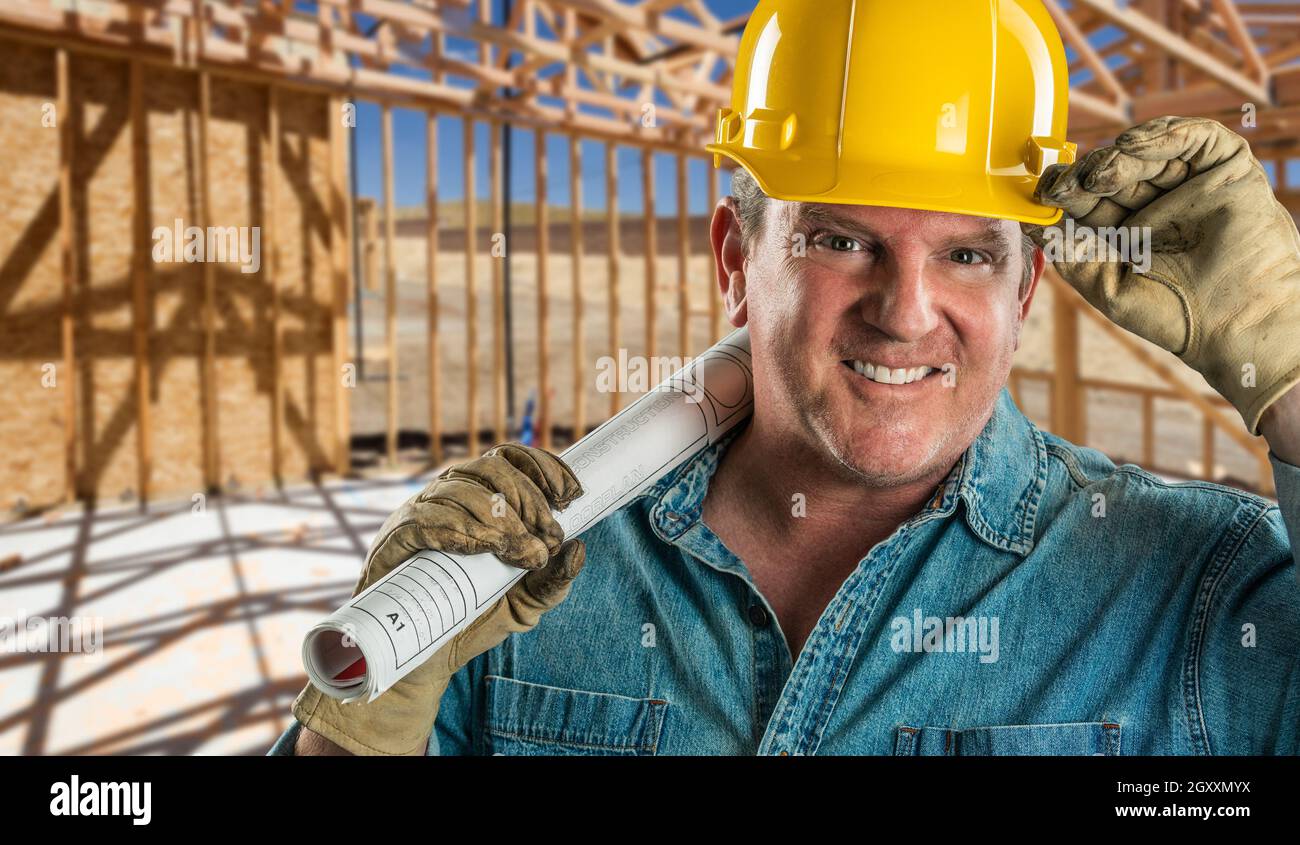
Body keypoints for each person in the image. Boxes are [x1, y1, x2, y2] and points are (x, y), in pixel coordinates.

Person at [275, 0, 1300, 756]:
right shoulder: (525, 582)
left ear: (1026, 285)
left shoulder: (1198, 586)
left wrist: (1292, 374)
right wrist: (355, 734)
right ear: (734, 259)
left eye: (968, 254)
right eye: (842, 239)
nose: (903, 312)